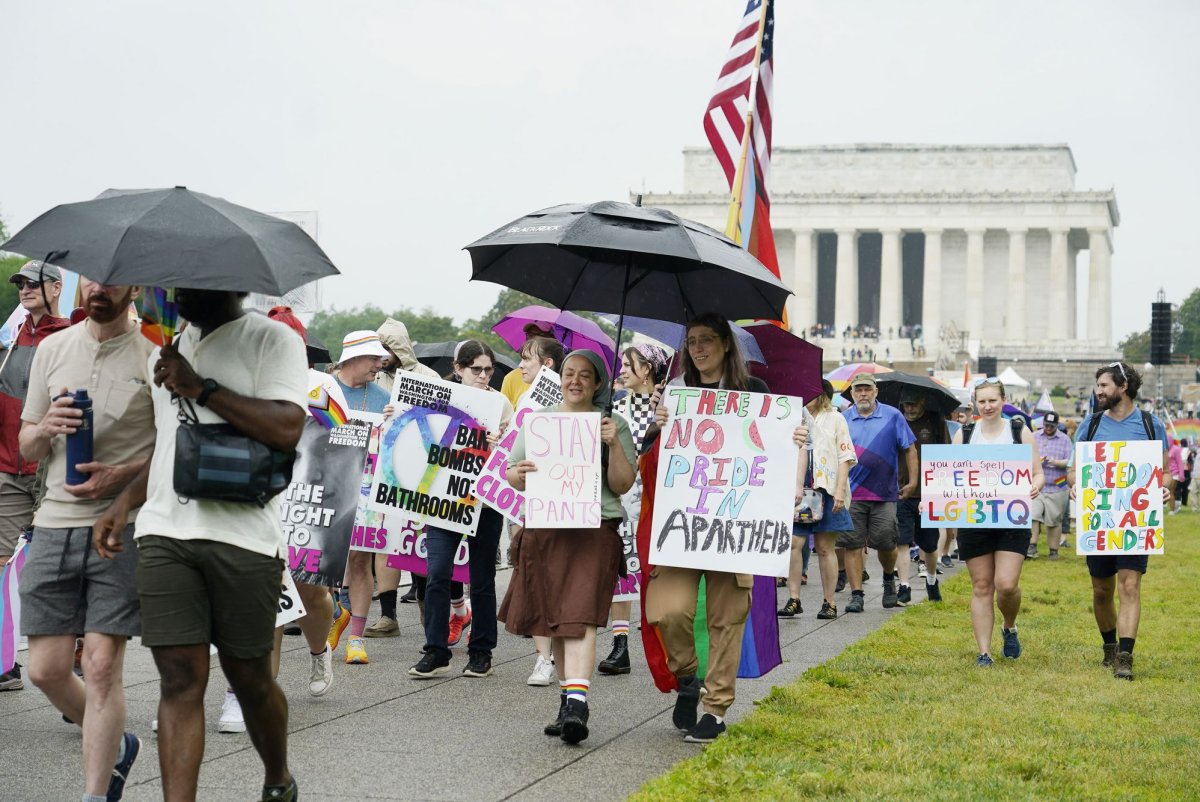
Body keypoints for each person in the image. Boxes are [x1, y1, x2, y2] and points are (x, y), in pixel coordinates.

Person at [94, 288, 306, 801]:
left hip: (245, 535)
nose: (180, 293)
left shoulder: (272, 339)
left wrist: (202, 388)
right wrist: (125, 502)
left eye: (194, 283)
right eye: (175, 284)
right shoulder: (165, 349)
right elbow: (174, 443)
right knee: (179, 678)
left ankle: (277, 776)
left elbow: (287, 426)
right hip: (165, 534)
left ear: (234, 286)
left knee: (249, 675)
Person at [18, 278, 154, 801]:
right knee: (46, 670)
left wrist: (121, 475)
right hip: (53, 520)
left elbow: (172, 449)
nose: (98, 287)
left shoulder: (154, 357)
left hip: (120, 526)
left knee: (100, 666)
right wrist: (47, 427)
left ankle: (95, 794)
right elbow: (27, 443)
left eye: (112, 279)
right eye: (91, 277)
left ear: (134, 287)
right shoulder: (52, 348)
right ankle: (118, 746)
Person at [645, 313, 806, 744]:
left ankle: (715, 709)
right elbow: (649, 458)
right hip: (685, 524)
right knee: (667, 609)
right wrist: (658, 428)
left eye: (707, 341)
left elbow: (775, 448)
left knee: (726, 618)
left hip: (736, 527)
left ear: (725, 346)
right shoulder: (675, 394)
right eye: (692, 342)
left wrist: (795, 442)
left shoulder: (755, 393)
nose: (698, 349)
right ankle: (687, 676)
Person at [500, 349, 636, 744]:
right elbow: (512, 471)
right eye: (568, 373)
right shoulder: (539, 421)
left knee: (580, 615)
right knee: (555, 618)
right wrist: (518, 474)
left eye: (584, 375)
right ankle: (568, 701)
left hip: (593, 531)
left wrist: (613, 445)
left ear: (597, 384)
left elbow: (624, 484)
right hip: (547, 529)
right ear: (559, 378)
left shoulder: (613, 424)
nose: (575, 380)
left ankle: (578, 703)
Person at [409, 340, 513, 679]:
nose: (484, 376)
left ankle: (481, 651)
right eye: (476, 369)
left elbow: (514, 449)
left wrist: (501, 443)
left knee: (481, 579)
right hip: (445, 500)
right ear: (459, 369)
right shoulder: (440, 398)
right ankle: (436, 649)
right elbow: (419, 437)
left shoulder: (500, 402)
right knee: (437, 571)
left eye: (488, 369)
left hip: (483, 502)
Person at [1069, 362, 1170, 681]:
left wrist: (1166, 487)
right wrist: (1074, 482)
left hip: (1135, 520)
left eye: (1104, 386)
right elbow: (1074, 468)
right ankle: (1109, 646)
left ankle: (1125, 656)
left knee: (1130, 584)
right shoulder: (1091, 425)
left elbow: (1165, 471)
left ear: (1123, 387)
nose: (1098, 391)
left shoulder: (1151, 425)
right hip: (1100, 520)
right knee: (1101, 589)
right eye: (1097, 386)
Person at [0, 261, 71, 691]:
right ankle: (4, 663)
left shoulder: (70, 336)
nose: (24, 289)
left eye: (33, 283)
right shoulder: (9, 338)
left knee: (60, 570)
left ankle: (74, 664)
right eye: (20, 284)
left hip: (55, 470)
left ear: (56, 287)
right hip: (8, 467)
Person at [951, 378, 1044, 667]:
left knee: (1006, 585)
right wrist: (931, 498)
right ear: (974, 403)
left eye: (992, 400)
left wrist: (1035, 485)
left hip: (1011, 518)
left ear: (1002, 400)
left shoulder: (1019, 431)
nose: (987, 406)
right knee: (981, 585)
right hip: (974, 518)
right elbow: (948, 478)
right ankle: (984, 652)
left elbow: (1038, 472)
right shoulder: (965, 435)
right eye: (982, 401)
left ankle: (1009, 626)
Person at [366, 318, 441, 632]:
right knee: (384, 544)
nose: (382, 354)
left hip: (419, 473)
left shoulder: (428, 377)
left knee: (417, 543)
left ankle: (426, 607)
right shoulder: (374, 379)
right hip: (383, 471)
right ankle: (388, 615)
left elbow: (442, 419)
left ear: (400, 347)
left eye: (387, 347)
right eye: (378, 348)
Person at [598, 343, 668, 675]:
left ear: (649, 369)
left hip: (658, 505)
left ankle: (666, 645)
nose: (623, 369)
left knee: (657, 577)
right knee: (620, 575)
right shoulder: (616, 408)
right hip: (623, 502)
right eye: (623, 364)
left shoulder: (668, 408)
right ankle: (620, 645)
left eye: (630, 364)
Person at [328, 331, 393, 666]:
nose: (379, 364)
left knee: (360, 560)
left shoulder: (383, 398)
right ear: (354, 357)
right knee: (323, 562)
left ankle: (356, 636)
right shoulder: (322, 389)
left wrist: (395, 422)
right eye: (374, 358)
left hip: (367, 489)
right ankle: (334, 613)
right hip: (325, 485)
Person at [512, 335, 566, 686]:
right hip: (533, 507)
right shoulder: (524, 403)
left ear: (547, 365)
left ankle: (562, 656)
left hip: (569, 507)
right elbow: (513, 461)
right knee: (535, 580)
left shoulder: (582, 407)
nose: (521, 365)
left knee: (561, 583)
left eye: (527, 358)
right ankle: (543, 659)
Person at [840, 373, 918, 612]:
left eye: (867, 389)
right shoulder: (842, 419)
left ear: (876, 391)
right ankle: (857, 594)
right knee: (852, 546)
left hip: (884, 493)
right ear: (852, 393)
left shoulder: (893, 416)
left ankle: (887, 579)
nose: (863, 393)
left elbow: (910, 449)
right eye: (858, 390)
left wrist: (913, 482)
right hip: (851, 494)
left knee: (887, 543)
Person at [780, 380, 855, 620]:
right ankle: (794, 598)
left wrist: (840, 491)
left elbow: (845, 456)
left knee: (825, 548)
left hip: (827, 488)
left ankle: (829, 601)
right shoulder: (793, 417)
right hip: (799, 488)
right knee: (793, 543)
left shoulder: (835, 418)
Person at [895, 388, 951, 604]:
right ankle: (904, 585)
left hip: (929, 493)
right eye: (906, 404)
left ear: (922, 403)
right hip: (902, 491)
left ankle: (931, 579)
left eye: (913, 404)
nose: (909, 408)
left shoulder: (936, 421)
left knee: (929, 544)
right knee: (902, 541)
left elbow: (946, 453)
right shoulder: (897, 421)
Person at [1029, 411, 1072, 559]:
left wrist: (1055, 462)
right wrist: (1036, 461)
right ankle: (1031, 547)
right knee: (1032, 516)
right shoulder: (1033, 437)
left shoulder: (1065, 439)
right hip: (1036, 485)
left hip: (1057, 486)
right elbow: (1024, 457)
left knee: (1054, 520)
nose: (1048, 428)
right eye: (1046, 425)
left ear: (1057, 425)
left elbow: (1070, 461)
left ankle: (1053, 551)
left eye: (1051, 426)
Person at [500, 322, 554, 408]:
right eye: (529, 335)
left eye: (539, 335)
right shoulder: (511, 378)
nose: (532, 339)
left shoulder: (563, 380)